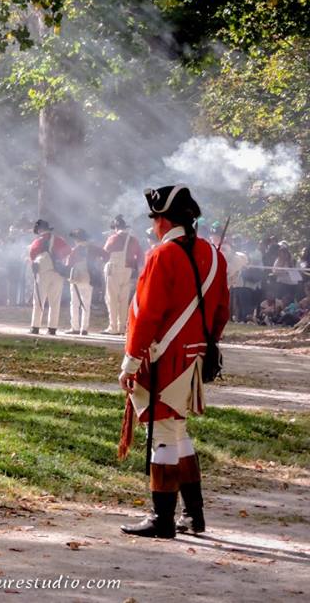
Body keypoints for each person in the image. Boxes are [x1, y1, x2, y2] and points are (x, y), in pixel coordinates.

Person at [118, 185, 230, 539]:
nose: (153, 226)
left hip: (165, 355)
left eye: (154, 219)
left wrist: (130, 362)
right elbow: (222, 311)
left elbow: (147, 314)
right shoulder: (215, 256)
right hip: (195, 355)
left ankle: (161, 518)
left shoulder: (161, 255)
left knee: (164, 435)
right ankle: (193, 516)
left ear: (163, 220)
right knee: (178, 431)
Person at [28, 219, 70, 335]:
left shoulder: (38, 241)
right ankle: (52, 328)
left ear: (40, 230)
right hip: (57, 273)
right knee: (55, 301)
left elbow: (32, 254)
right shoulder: (59, 240)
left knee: (39, 300)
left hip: (43, 272)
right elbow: (68, 251)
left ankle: (35, 327)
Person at [103, 215, 143, 335]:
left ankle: (113, 327)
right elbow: (140, 255)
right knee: (124, 299)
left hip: (114, 269)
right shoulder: (134, 240)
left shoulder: (113, 238)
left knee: (112, 298)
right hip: (127, 270)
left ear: (115, 227)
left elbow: (105, 253)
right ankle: (122, 327)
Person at [65, 228, 108, 336]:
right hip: (89, 277)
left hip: (77, 277)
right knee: (86, 304)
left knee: (74, 303)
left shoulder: (75, 250)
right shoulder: (93, 248)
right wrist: (99, 264)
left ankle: (75, 327)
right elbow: (106, 255)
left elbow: (69, 264)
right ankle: (84, 328)